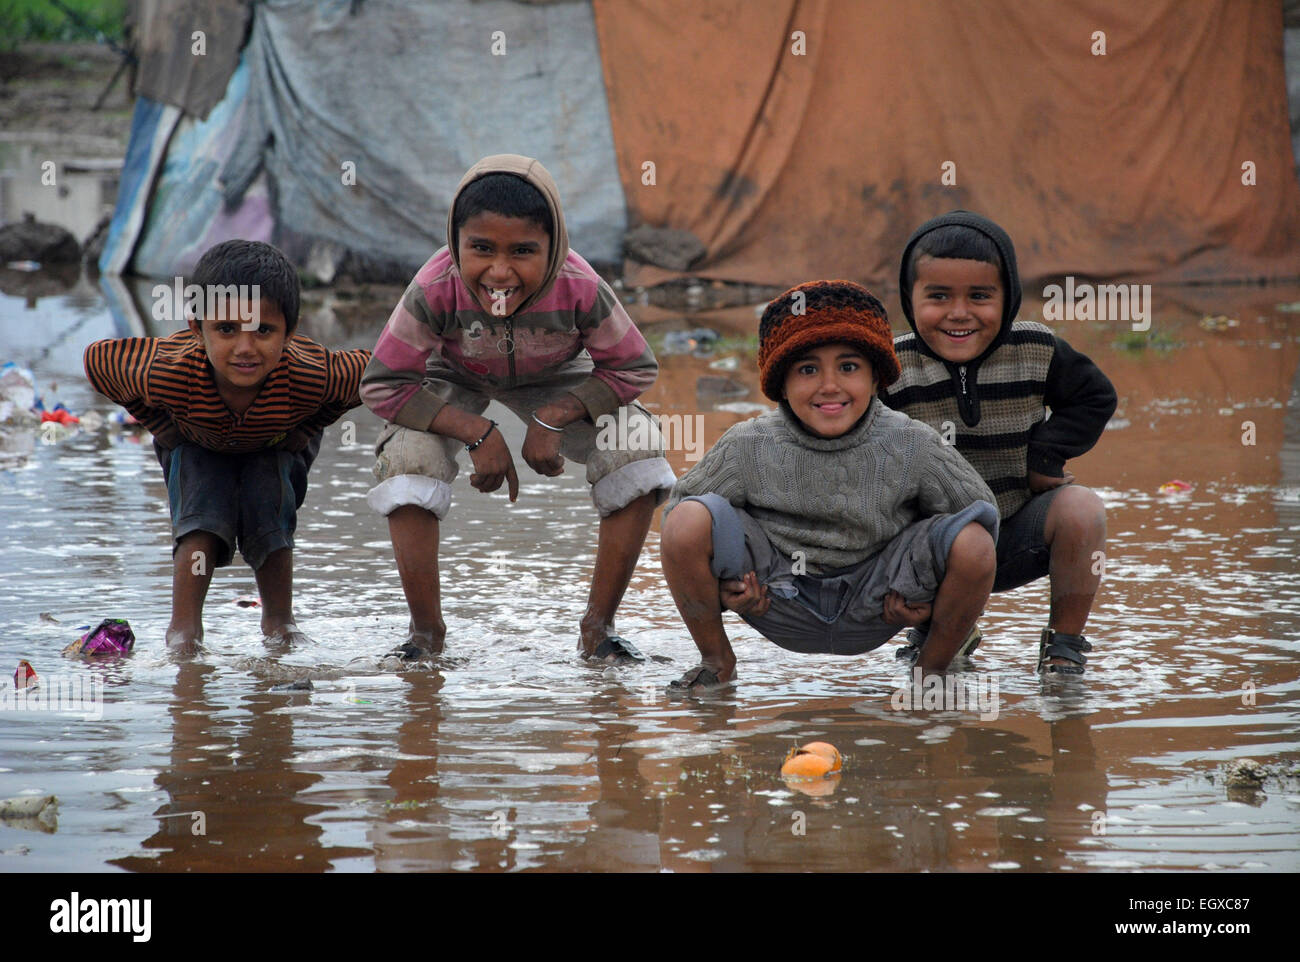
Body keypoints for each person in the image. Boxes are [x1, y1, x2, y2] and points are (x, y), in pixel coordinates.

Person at [360, 154, 676, 663]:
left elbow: (634, 367)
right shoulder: (435, 287)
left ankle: (599, 630)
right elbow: (383, 383)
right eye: (480, 249)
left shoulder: (579, 286)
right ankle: (425, 635)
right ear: (456, 243)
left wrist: (556, 414)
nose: (500, 272)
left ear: (554, 251)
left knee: (635, 449)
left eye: (523, 251)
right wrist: (476, 432)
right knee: (407, 459)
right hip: (453, 375)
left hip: (556, 376)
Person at [659, 280, 999, 690]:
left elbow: (981, 512)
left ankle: (931, 669)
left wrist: (926, 598)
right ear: (780, 382)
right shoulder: (749, 444)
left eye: (849, 367)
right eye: (807, 369)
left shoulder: (912, 443)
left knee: (973, 542)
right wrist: (722, 591)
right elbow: (678, 516)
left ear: (877, 378)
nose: (830, 386)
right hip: (776, 596)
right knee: (687, 521)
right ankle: (716, 662)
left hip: (881, 602)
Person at [83, 239, 370, 651]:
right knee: (200, 519)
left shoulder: (314, 373)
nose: (245, 349)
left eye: (264, 331)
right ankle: (183, 630)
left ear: (290, 330)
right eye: (226, 330)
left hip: (276, 439)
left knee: (270, 514)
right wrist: (163, 426)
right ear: (197, 329)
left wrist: (305, 430)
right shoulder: (169, 371)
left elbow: (374, 376)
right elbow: (98, 362)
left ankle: (279, 622)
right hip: (195, 437)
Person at [880, 210, 1117, 674]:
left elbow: (1095, 396)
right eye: (939, 296)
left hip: (1016, 532)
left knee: (1082, 508)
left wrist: (1045, 456)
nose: (959, 313)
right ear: (910, 300)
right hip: (936, 546)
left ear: (1007, 298)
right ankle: (943, 630)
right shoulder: (893, 365)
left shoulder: (1034, 348)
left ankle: (1064, 647)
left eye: (980, 296)